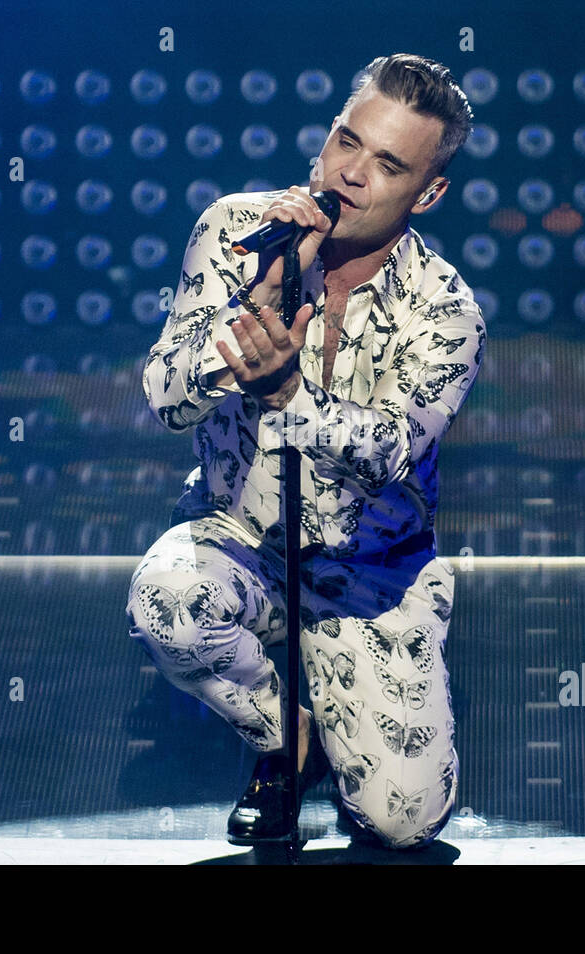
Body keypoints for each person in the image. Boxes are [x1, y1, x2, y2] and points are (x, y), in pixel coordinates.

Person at [126, 53, 484, 850]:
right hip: (241, 535)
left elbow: (390, 450)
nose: (352, 175)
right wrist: (252, 311)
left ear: (427, 193)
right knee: (168, 602)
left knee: (403, 822)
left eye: (387, 164)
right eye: (347, 143)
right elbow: (165, 394)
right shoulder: (235, 231)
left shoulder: (448, 311)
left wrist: (292, 393)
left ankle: (355, 706)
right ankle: (288, 740)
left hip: (370, 566)